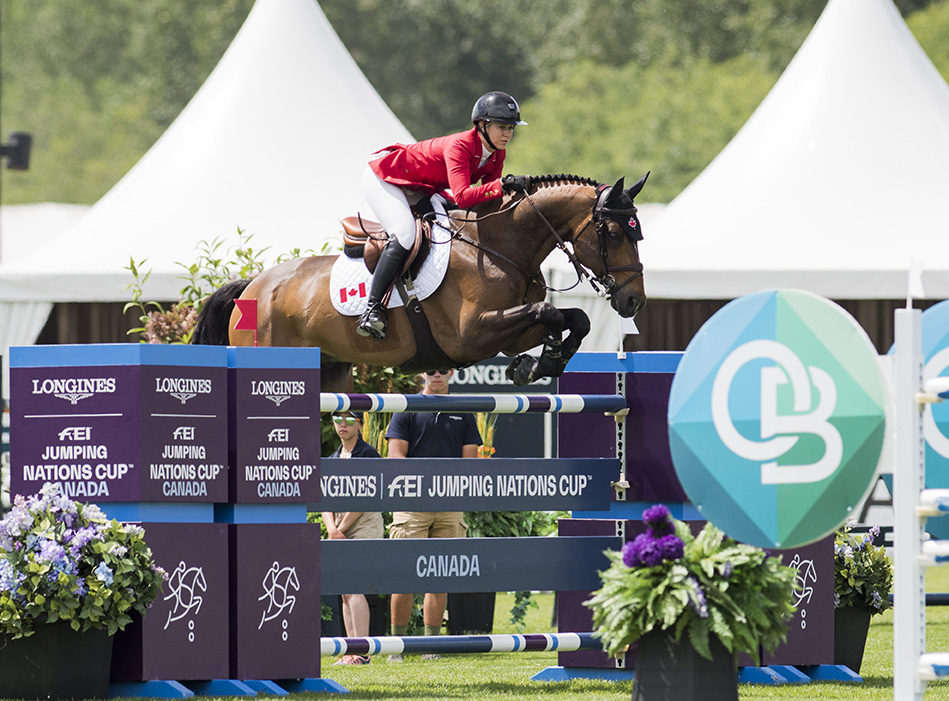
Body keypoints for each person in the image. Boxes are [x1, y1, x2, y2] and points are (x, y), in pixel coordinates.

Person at [356, 91, 530, 340]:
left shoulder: (496, 153)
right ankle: (372, 309)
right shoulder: (460, 146)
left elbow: (489, 198)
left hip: (421, 188)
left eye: (510, 128)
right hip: (386, 178)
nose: (507, 134)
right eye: (502, 127)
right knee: (405, 235)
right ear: (482, 125)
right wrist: (502, 185)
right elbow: (462, 196)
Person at [385, 369, 482, 661]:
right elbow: (395, 457)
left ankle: (431, 646)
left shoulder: (464, 411)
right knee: (403, 577)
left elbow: (470, 462)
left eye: (442, 370)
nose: (436, 375)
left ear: (451, 372)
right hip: (412, 503)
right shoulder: (406, 407)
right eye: (430, 370)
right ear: (423, 374)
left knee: (440, 576)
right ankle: (396, 647)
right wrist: (426, 481)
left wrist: (446, 485)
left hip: (451, 505)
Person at [322, 410, 384, 666]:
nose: (343, 424)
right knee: (345, 591)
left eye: (349, 419)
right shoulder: (332, 458)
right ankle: (351, 651)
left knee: (354, 586)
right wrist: (331, 528)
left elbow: (366, 496)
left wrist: (341, 528)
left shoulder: (369, 454)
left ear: (360, 423)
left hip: (363, 523)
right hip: (337, 526)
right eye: (338, 419)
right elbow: (323, 498)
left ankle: (362, 651)